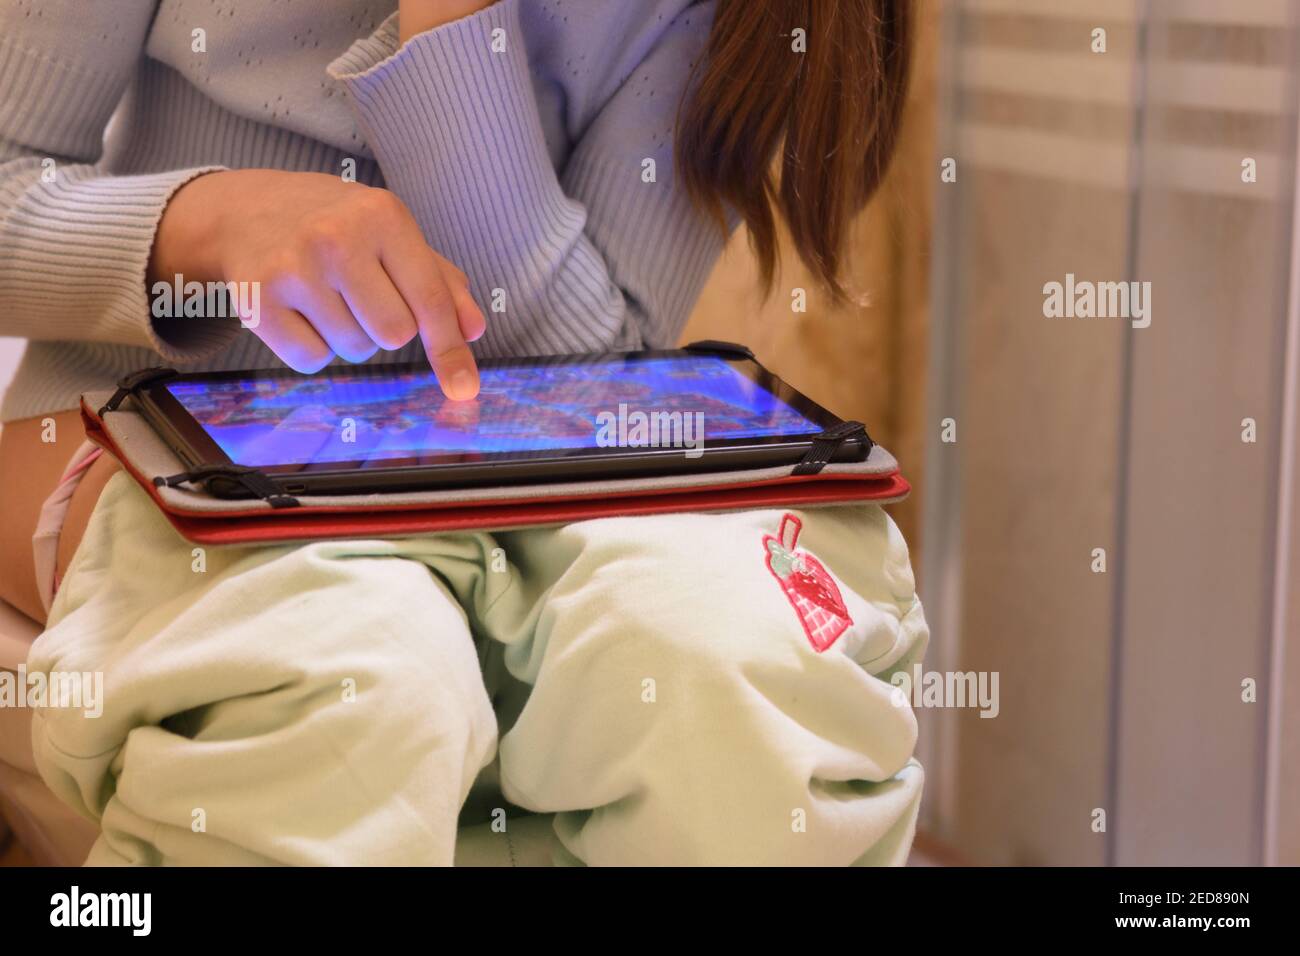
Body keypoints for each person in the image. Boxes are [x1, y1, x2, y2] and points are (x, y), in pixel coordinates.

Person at [0, 0, 926, 864]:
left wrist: (452, 32)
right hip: (154, 444)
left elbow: (602, 387)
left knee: (730, 677)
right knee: (351, 674)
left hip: (542, 489)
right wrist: (198, 226)